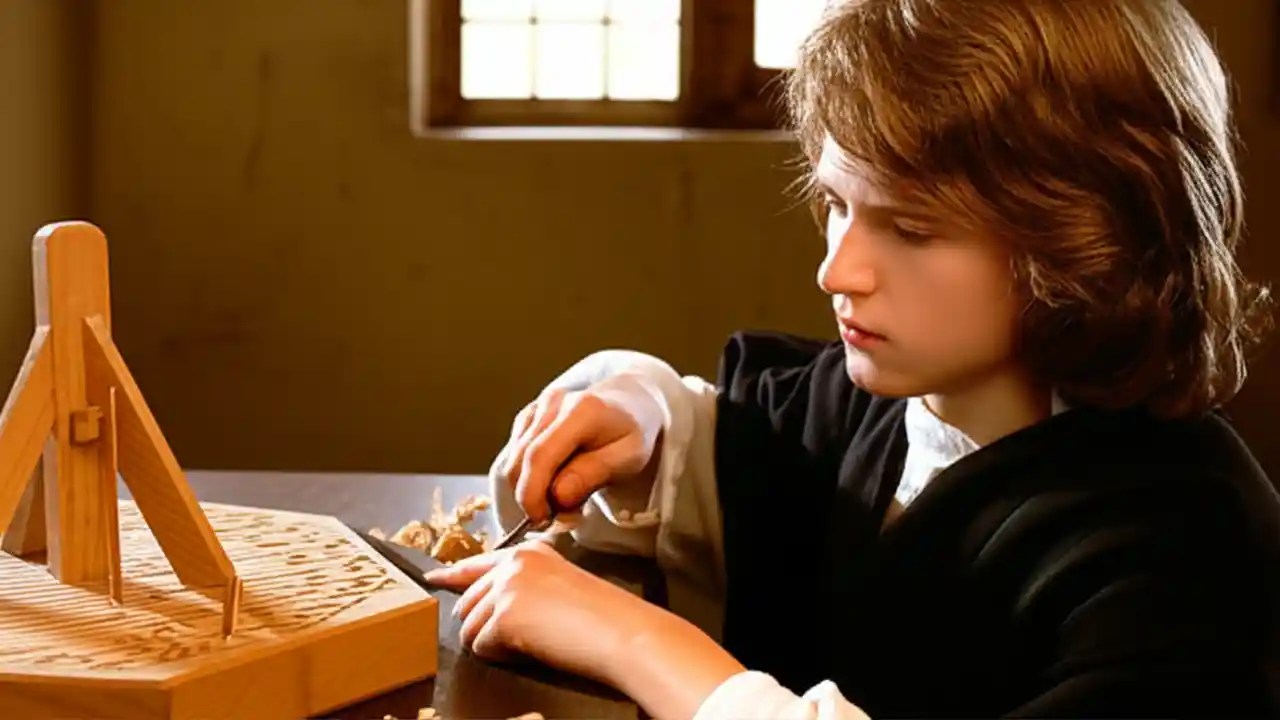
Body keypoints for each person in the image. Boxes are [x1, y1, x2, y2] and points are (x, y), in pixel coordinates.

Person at [423, 0, 1280, 716]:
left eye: (909, 228)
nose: (837, 270)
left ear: (1081, 242)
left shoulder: (1185, 549)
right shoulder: (894, 396)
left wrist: (634, 642)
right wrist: (644, 419)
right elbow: (760, 467)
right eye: (836, 203)